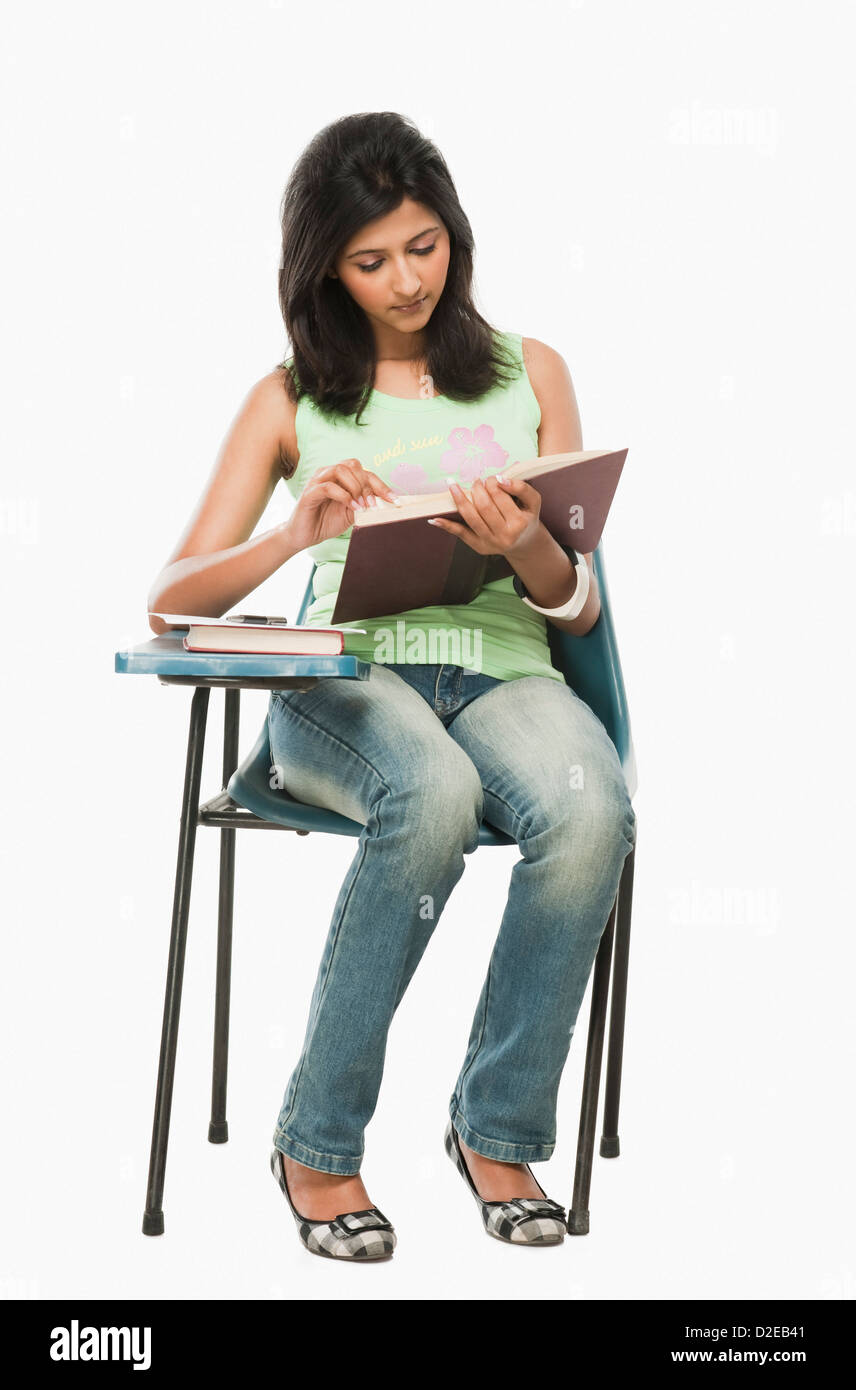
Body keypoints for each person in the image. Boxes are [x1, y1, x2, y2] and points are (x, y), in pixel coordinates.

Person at [147, 111, 637, 1261]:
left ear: (453, 235)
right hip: (346, 680)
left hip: (503, 669)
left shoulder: (533, 372)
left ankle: (495, 1128)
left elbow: (578, 606)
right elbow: (170, 598)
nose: (406, 279)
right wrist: (291, 534)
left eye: (424, 246)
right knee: (430, 794)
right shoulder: (289, 397)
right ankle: (316, 1144)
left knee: (589, 808)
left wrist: (524, 546)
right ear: (325, 268)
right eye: (371, 261)